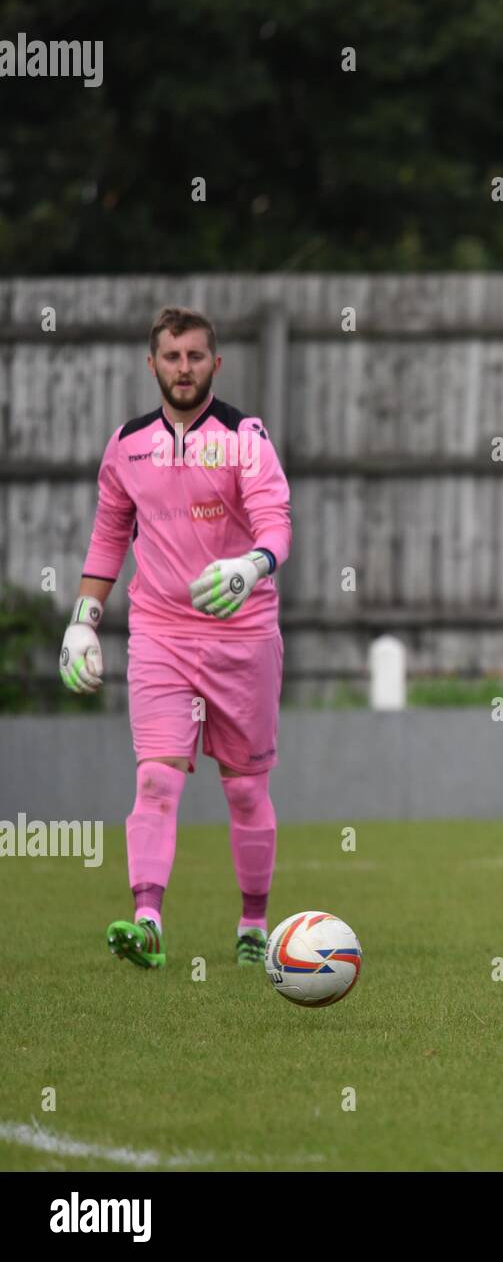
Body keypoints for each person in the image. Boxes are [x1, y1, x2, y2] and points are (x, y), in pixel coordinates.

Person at [60, 306, 292, 970]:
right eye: (171, 356)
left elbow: (277, 524)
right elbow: (109, 536)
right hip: (160, 632)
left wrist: (251, 566)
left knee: (245, 789)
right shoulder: (127, 445)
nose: (183, 368)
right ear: (152, 363)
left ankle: (253, 924)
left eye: (195, 356)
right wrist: (83, 620)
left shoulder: (246, 437)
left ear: (215, 363)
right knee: (157, 778)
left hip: (242, 634)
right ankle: (148, 919)